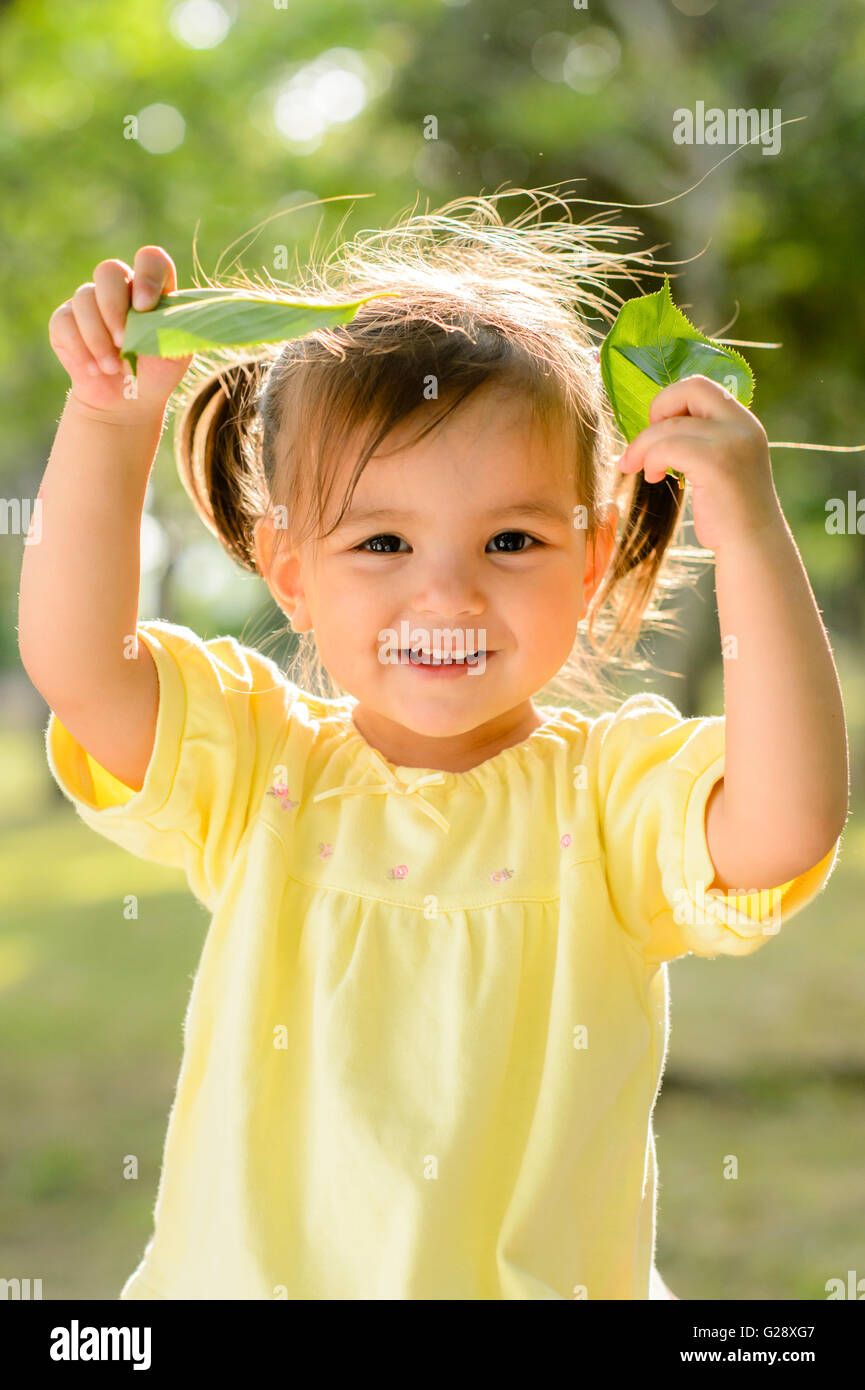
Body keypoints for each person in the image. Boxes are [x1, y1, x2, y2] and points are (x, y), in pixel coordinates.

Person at [19, 189, 847, 1300]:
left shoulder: (608, 802)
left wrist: (743, 523)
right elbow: (80, 664)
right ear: (292, 572)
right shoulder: (268, 771)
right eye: (382, 540)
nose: (446, 588)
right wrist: (110, 424)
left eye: (511, 537)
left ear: (591, 558)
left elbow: (788, 818)